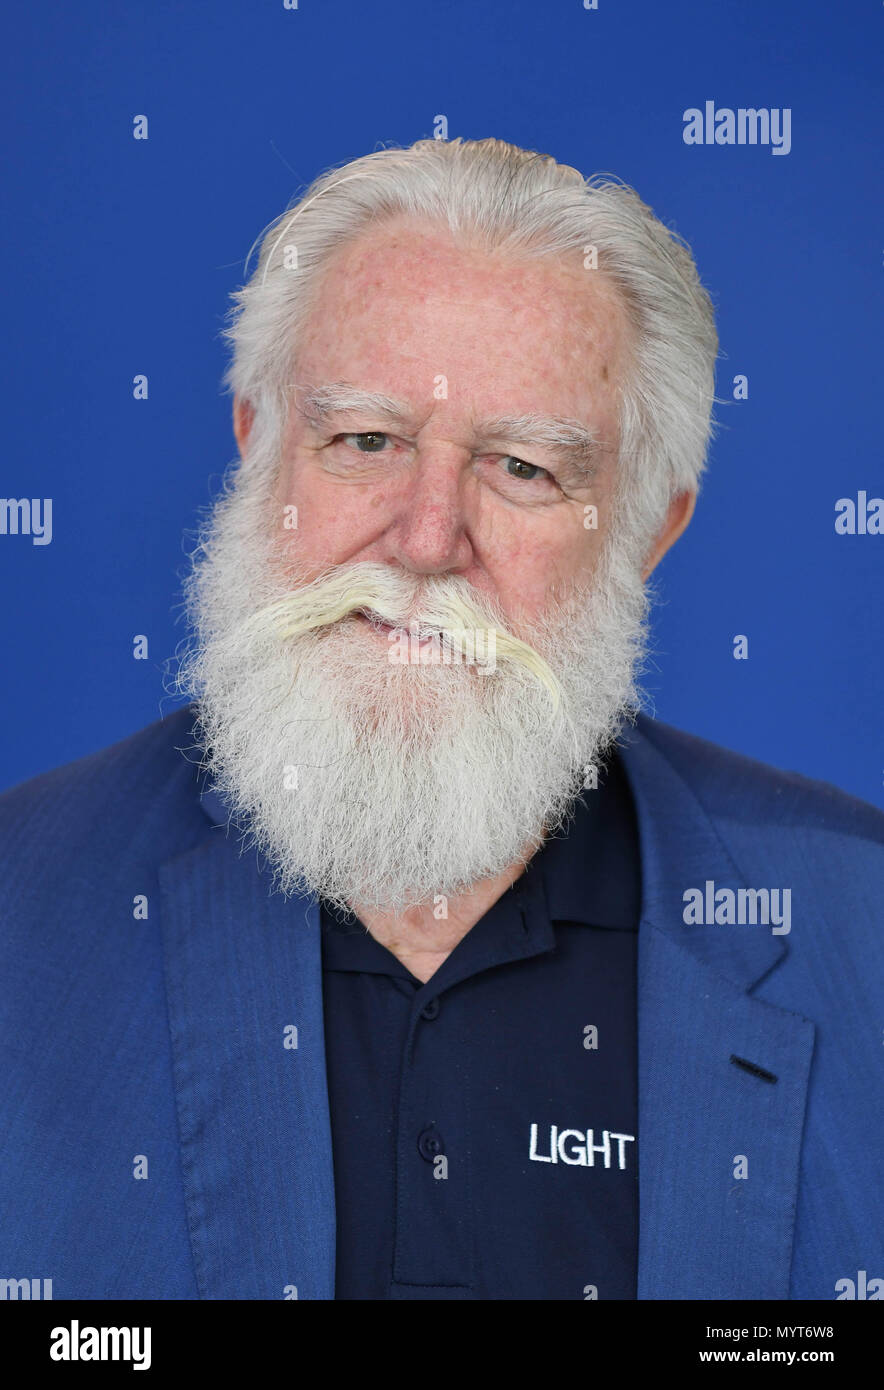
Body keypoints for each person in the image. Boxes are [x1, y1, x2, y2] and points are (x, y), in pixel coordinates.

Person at [1, 137, 881, 1301]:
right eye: (365, 441)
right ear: (259, 447)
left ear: (647, 529)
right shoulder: (23, 909)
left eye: (520, 468)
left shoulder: (856, 929)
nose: (424, 539)